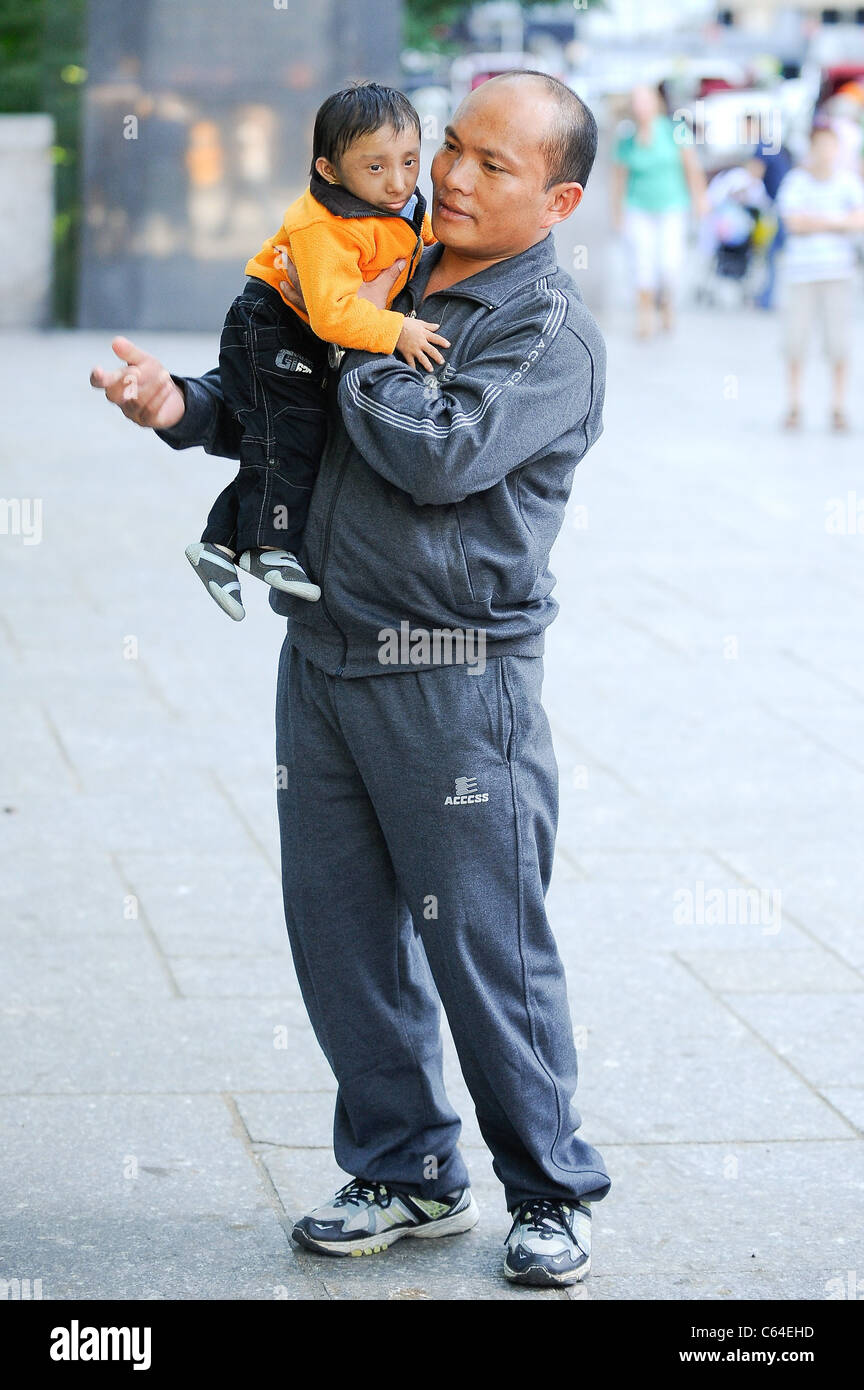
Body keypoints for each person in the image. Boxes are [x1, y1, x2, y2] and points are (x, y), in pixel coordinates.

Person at [91, 69, 612, 1289]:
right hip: (322, 652)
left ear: (561, 199)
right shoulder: (388, 262)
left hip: (452, 675)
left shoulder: (546, 332)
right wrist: (183, 407)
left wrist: (345, 332)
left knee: (487, 948)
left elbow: (439, 452)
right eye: (453, 149)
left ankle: (549, 1190)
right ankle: (405, 1168)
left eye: (495, 166)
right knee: (340, 939)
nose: (452, 178)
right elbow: (290, 406)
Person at [185, 82, 439, 621]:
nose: (398, 181)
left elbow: (423, 243)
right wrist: (396, 331)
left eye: (411, 161)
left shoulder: (399, 206)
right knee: (291, 434)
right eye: (375, 168)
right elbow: (331, 315)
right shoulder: (324, 225)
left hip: (301, 331)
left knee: (287, 437)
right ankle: (269, 550)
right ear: (329, 170)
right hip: (272, 326)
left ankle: (219, 546)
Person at [775, 120, 864, 433]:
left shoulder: (848, 182)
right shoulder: (796, 182)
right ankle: (794, 403)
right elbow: (793, 224)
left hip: (837, 273)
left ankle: (838, 404)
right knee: (795, 342)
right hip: (802, 275)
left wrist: (819, 221)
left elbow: (859, 221)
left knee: (839, 343)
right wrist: (837, 222)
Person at [610, 83, 708, 338]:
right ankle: (644, 315)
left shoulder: (676, 130)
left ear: (656, 103)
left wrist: (700, 199)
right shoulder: (626, 140)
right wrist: (617, 214)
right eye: (636, 102)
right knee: (642, 263)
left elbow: (692, 167)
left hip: (672, 206)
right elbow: (619, 178)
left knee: (669, 263)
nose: (641, 107)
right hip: (638, 207)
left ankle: (667, 303)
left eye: (645, 101)